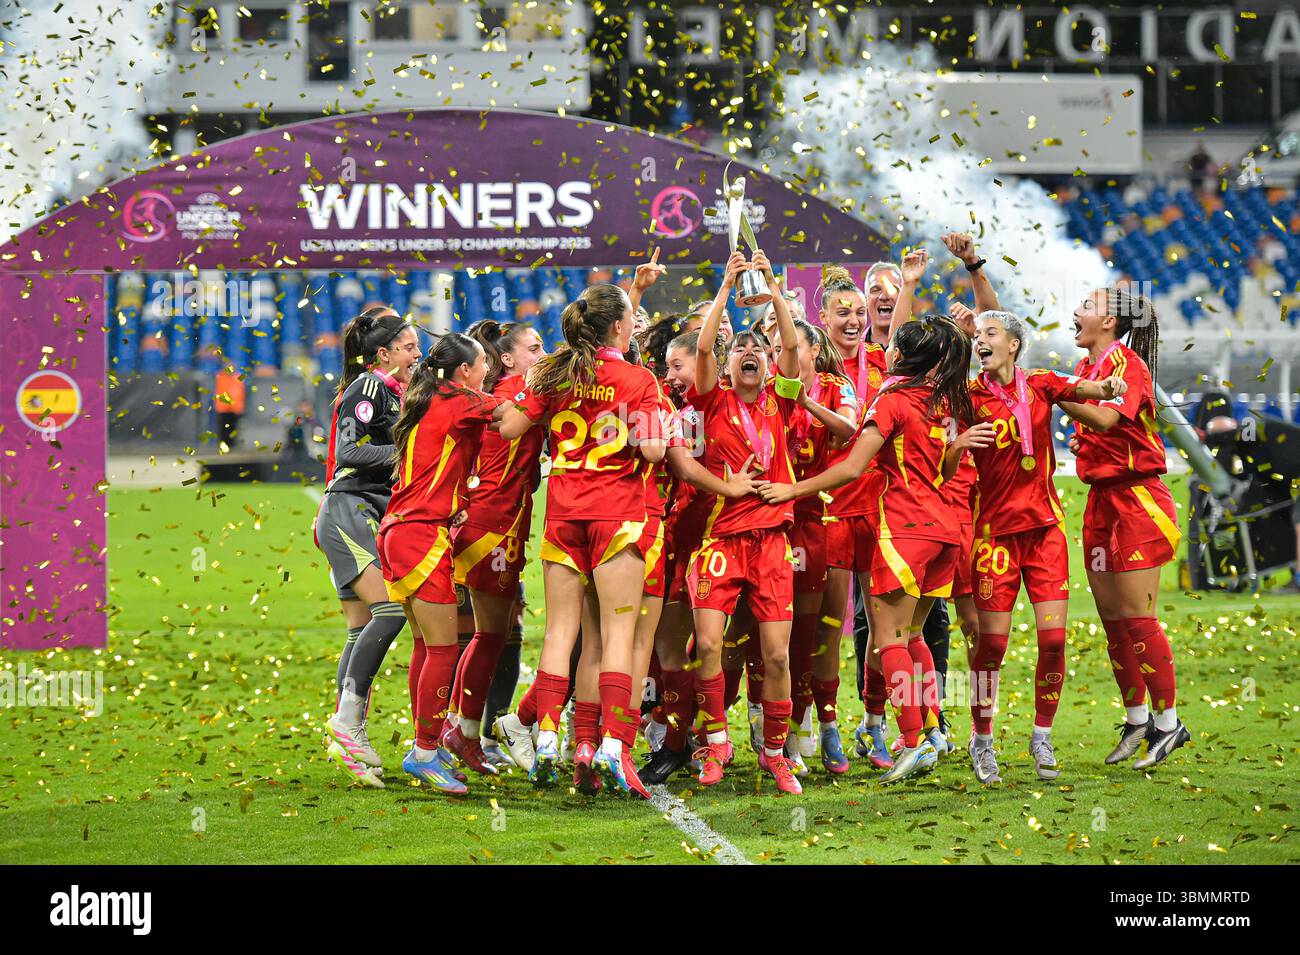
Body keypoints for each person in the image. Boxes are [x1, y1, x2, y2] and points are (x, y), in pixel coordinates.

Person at [758, 315, 977, 785]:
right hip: (945, 531)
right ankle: (928, 732)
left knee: (888, 640)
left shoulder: (893, 399)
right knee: (914, 637)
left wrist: (794, 491)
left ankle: (913, 742)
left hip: (906, 530)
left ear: (899, 355)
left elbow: (853, 466)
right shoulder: (943, 399)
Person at [495, 283, 666, 796]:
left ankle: (547, 738)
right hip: (617, 516)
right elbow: (655, 450)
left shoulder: (553, 371)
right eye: (631, 316)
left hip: (563, 513)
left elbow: (507, 427)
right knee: (616, 635)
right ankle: (613, 744)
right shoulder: (638, 379)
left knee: (560, 633)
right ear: (618, 326)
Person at [948, 309, 1128, 784]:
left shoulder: (1042, 382)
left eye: (991, 334)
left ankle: (1041, 735)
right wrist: (958, 442)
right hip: (994, 539)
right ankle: (981, 740)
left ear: (1013, 344)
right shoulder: (966, 398)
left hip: (1045, 533)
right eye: (978, 336)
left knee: (1052, 640)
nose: (981, 342)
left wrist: (1109, 388)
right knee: (992, 646)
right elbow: (944, 470)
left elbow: (1088, 390)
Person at [686, 248, 805, 794]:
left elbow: (794, 348)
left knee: (777, 652)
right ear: (731, 365)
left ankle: (775, 752)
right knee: (708, 647)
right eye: (742, 349)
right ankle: (715, 742)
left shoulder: (782, 401)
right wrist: (727, 282)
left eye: (757, 347)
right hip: (721, 538)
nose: (749, 351)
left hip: (774, 541)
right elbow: (705, 344)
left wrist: (775, 291)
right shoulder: (712, 401)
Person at [1059, 289, 1190, 769]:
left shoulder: (1127, 364)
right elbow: (1095, 430)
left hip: (1137, 500)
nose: (1075, 312)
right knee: (1114, 622)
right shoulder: (1086, 372)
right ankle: (1138, 720)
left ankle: (1170, 723)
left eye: (1085, 306)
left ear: (1110, 321)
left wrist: (1060, 393)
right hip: (1101, 502)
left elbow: (1110, 419)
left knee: (1138, 618)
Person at [378, 334, 506, 795]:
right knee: (444, 649)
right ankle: (426, 753)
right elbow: (511, 420)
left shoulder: (433, 395)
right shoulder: (459, 400)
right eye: (482, 364)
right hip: (420, 534)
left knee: (424, 645)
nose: (487, 370)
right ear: (465, 371)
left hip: (400, 530)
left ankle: (424, 746)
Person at [437, 321, 546, 775]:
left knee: (488, 634)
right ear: (508, 359)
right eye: (533, 347)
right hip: (492, 524)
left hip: (499, 521)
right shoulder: (522, 388)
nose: (543, 354)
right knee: (489, 634)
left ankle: (458, 731)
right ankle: (456, 733)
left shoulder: (508, 390)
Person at [319, 307, 421, 788]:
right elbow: (349, 452)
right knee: (391, 611)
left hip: (359, 510)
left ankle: (348, 729)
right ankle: (348, 721)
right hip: (351, 510)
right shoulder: (369, 386)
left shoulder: (388, 388)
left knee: (360, 627)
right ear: (384, 353)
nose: (417, 354)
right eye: (408, 347)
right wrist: (409, 453)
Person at [778, 318, 856, 773]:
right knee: (769, 634)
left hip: (824, 518)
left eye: (789, 345)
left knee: (817, 633)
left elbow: (849, 428)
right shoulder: (763, 387)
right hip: (772, 520)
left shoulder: (834, 384)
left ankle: (816, 724)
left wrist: (804, 401)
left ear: (813, 350)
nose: (780, 352)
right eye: (774, 346)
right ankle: (765, 728)